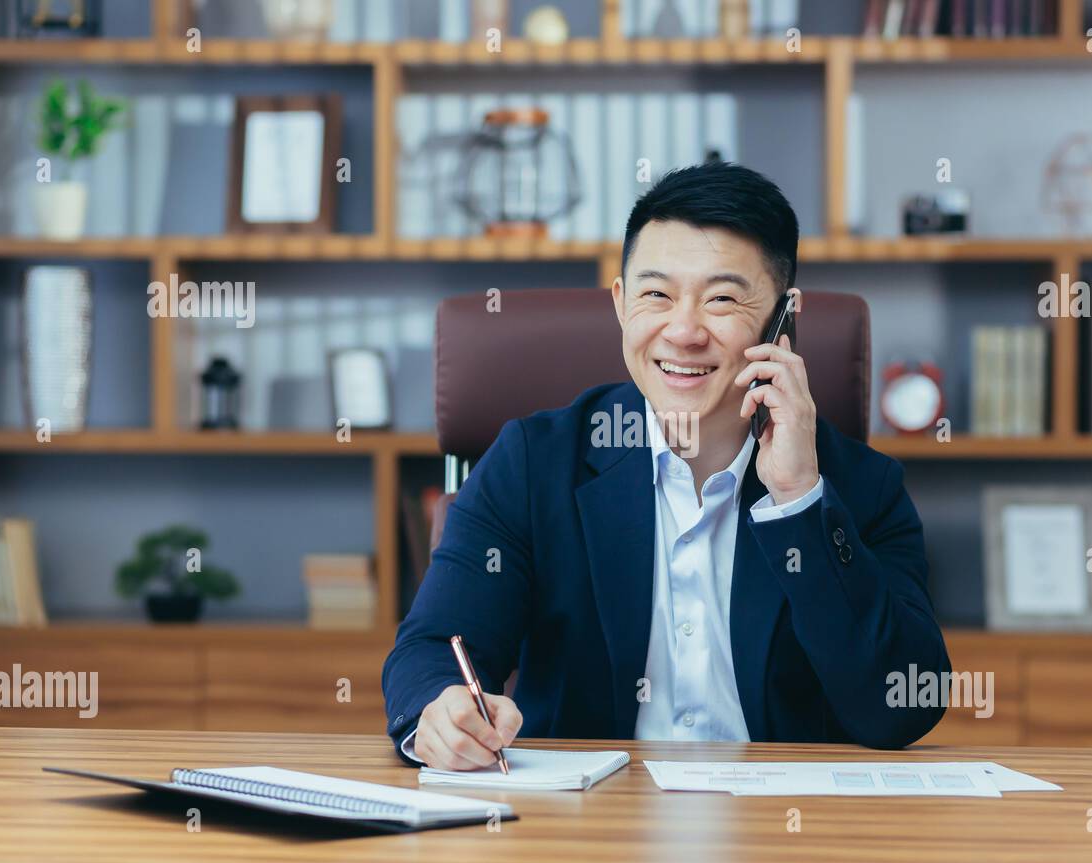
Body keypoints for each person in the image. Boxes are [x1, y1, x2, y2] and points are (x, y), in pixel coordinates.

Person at [382, 162, 950, 769]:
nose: (683, 331)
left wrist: (799, 499)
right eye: (657, 294)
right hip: (586, 830)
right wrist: (441, 714)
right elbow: (433, 648)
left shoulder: (860, 487)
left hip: (784, 834)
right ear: (622, 305)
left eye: (722, 299)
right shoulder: (533, 463)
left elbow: (903, 706)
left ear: (784, 320)